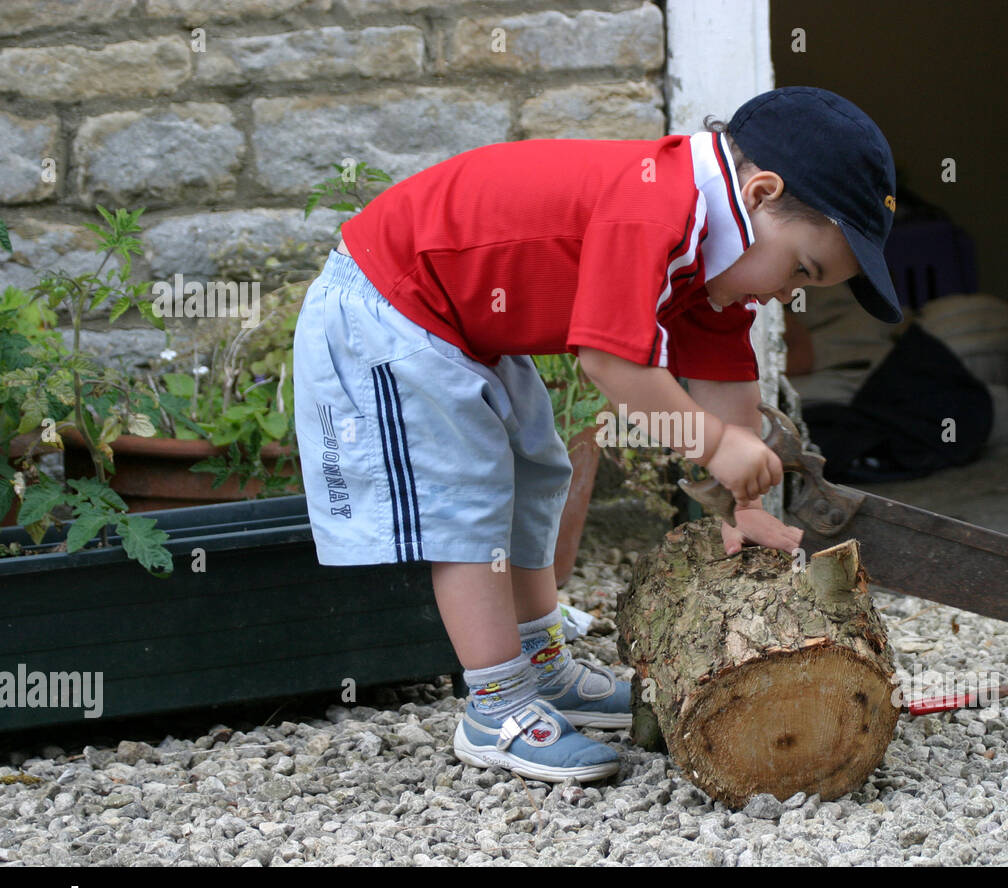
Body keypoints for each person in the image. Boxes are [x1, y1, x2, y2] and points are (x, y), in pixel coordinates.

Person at [291, 86, 902, 784]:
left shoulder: (716, 256)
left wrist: (747, 507)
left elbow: (722, 371)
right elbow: (610, 360)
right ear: (760, 192)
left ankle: (543, 668)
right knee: (468, 501)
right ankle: (496, 708)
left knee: (537, 471)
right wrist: (717, 446)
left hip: (464, 328)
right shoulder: (655, 206)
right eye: (802, 269)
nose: (791, 293)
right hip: (392, 306)